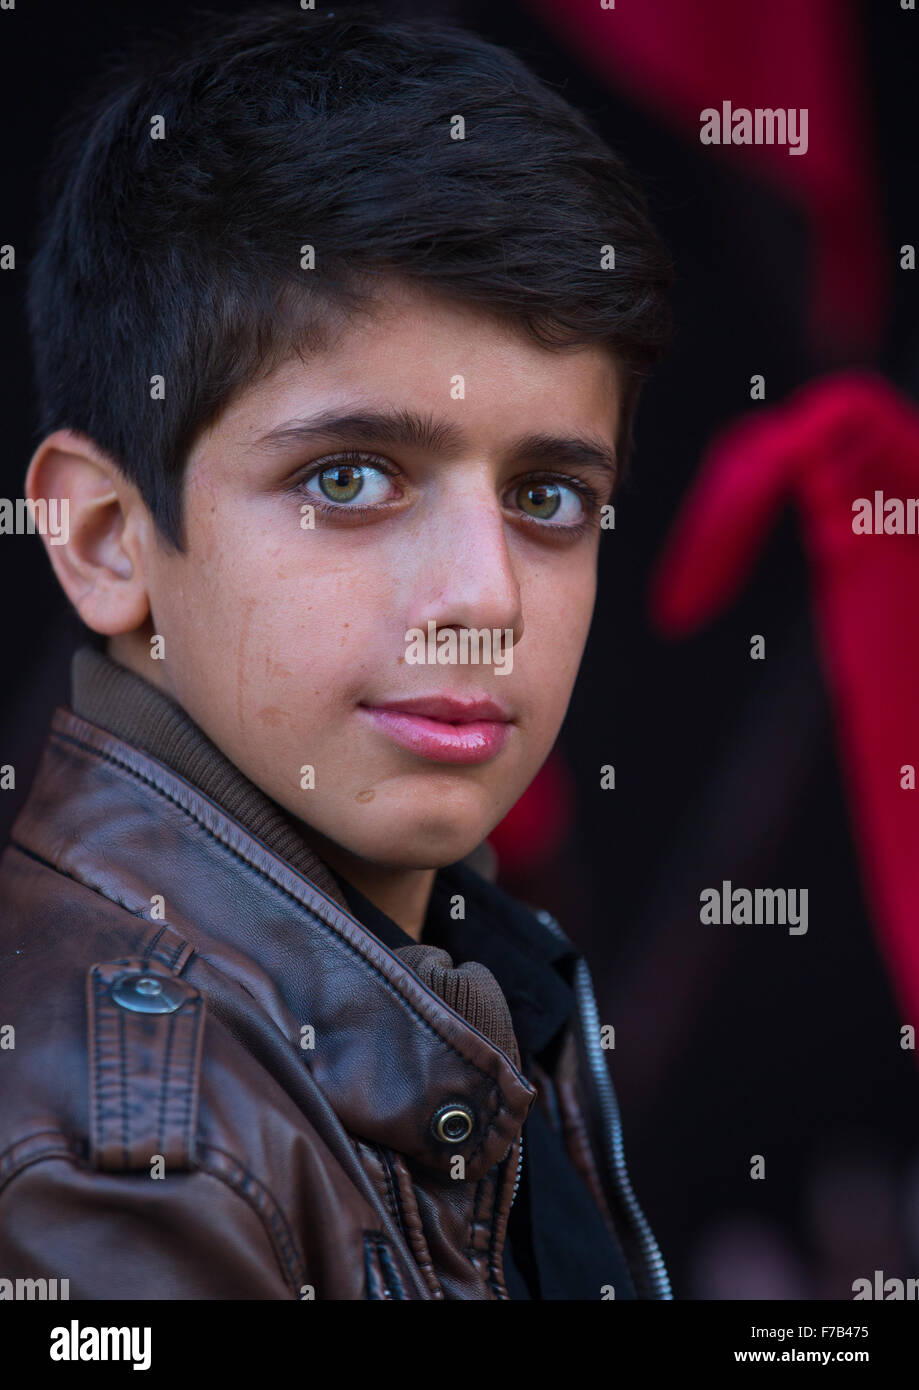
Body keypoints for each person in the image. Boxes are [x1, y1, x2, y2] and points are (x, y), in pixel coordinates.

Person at [0, 4, 674, 1300]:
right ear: (102, 536)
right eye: (353, 474)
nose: (487, 596)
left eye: (548, 496)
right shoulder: (118, 1161)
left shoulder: (480, 973)